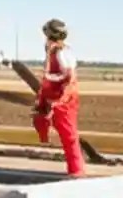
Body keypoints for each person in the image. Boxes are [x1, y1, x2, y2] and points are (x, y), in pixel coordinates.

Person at [34, 19, 85, 178]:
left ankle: (76, 171)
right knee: (41, 119)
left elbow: (68, 77)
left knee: (68, 135)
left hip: (63, 99)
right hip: (53, 97)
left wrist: (51, 80)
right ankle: (46, 139)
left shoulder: (62, 53)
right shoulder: (54, 51)